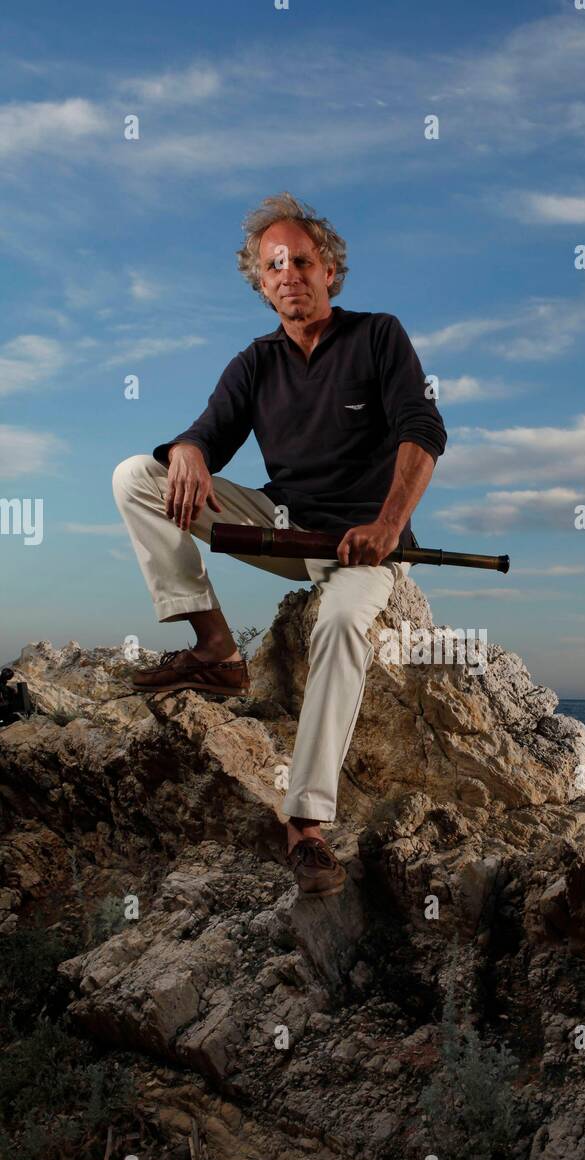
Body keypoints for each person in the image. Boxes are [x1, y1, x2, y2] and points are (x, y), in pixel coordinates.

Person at [112, 193, 446, 897]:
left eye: (301, 260)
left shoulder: (379, 335)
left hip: (368, 547)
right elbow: (207, 429)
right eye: (273, 266)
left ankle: (306, 827)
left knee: (343, 621)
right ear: (260, 284)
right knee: (138, 477)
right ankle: (216, 650)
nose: (288, 273)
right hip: (288, 527)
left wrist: (387, 527)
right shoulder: (254, 362)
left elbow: (424, 430)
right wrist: (190, 449)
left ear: (328, 269)